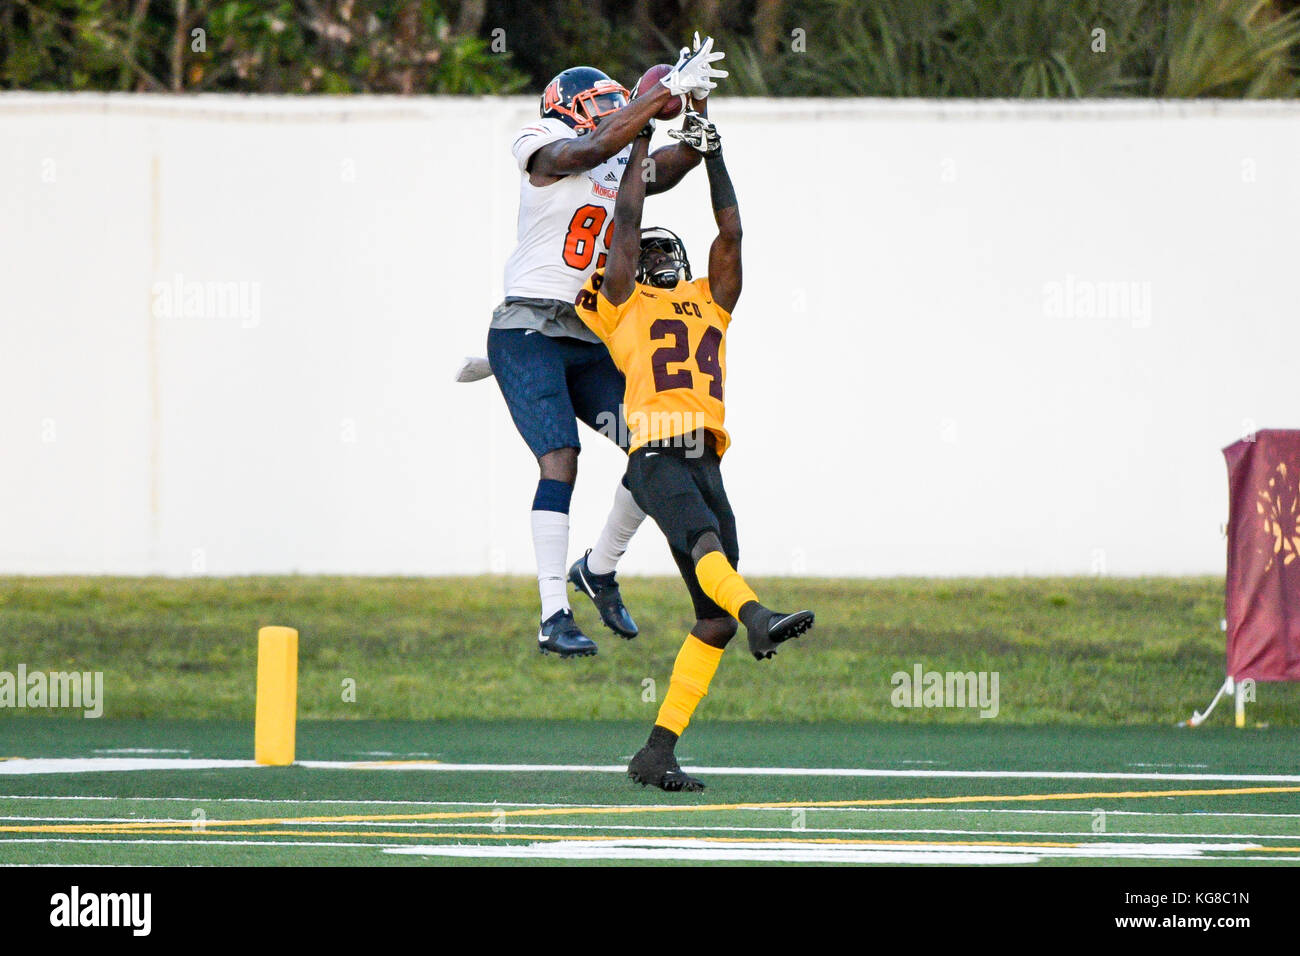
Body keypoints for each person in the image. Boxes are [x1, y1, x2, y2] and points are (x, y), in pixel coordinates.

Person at [573, 111, 815, 791]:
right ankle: (761, 616)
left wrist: (714, 155)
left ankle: (657, 751)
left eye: (658, 252)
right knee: (707, 547)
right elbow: (622, 229)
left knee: (711, 621)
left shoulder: (710, 301)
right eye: (643, 255)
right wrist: (643, 137)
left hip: (707, 459)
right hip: (655, 457)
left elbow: (731, 233)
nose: (650, 259)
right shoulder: (621, 304)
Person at [488, 39, 727, 659]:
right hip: (529, 329)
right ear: (565, 106)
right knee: (560, 456)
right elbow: (591, 146)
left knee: (653, 444)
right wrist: (653, 99)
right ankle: (551, 614)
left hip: (590, 335)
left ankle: (598, 567)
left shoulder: (613, 160)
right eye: (596, 104)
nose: (604, 114)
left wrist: (696, 114)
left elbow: (669, 167)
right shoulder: (540, 143)